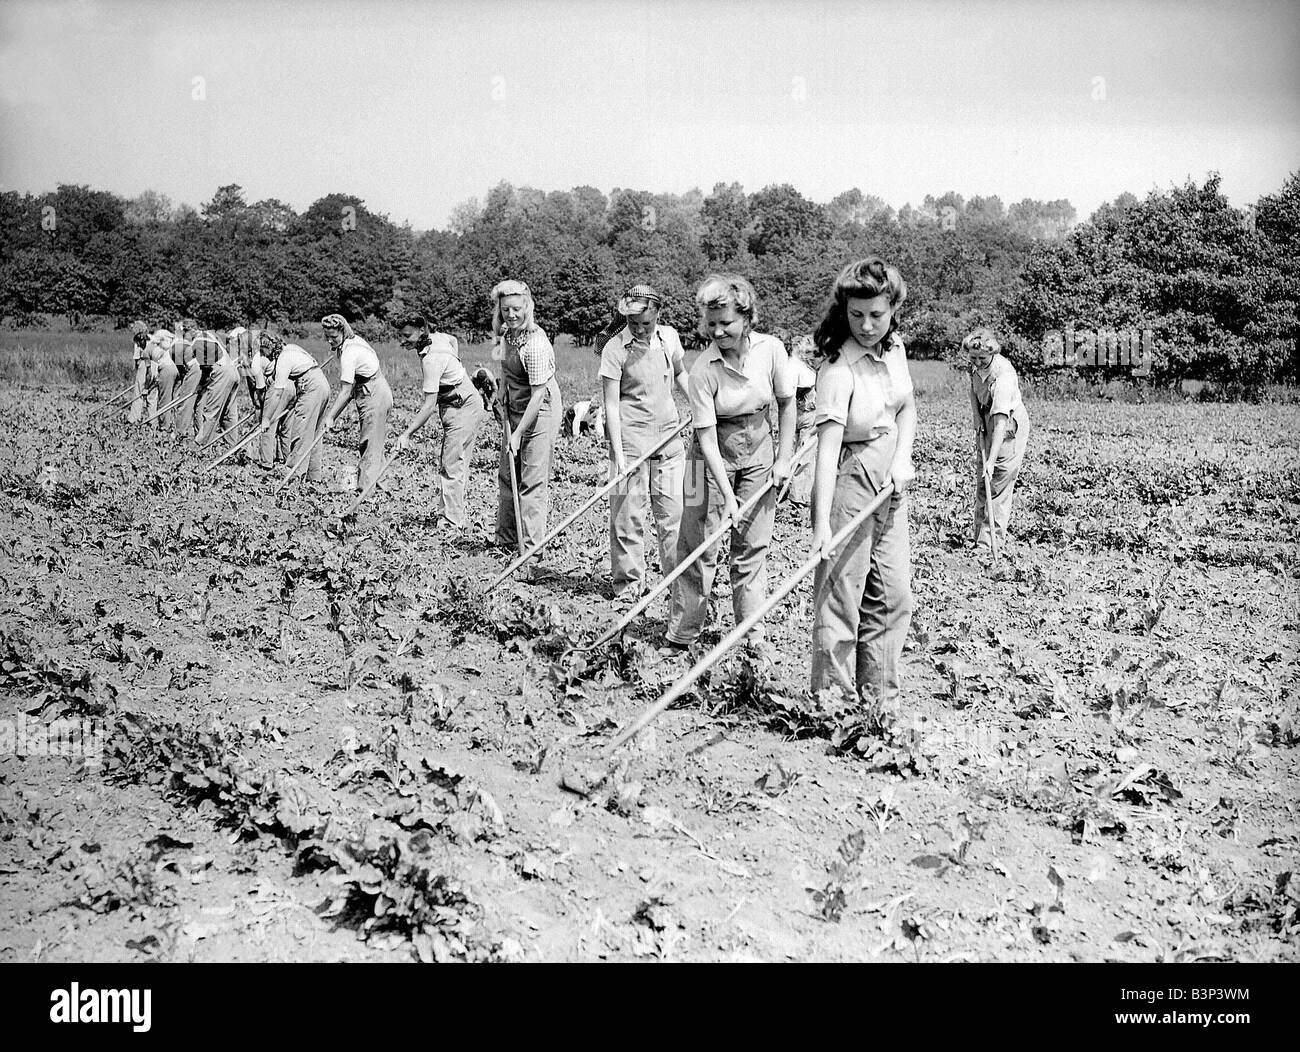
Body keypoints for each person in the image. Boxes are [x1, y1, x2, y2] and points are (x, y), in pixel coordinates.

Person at [664, 274, 796, 650]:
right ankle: (682, 632)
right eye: (711, 324)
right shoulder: (703, 369)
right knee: (696, 542)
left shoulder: (771, 349)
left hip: (759, 447)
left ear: (747, 317)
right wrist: (728, 496)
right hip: (704, 458)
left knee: (752, 546)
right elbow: (705, 436)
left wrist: (784, 458)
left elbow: (787, 404)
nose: (718, 332)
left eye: (727, 323)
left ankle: (751, 635)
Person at [808, 257, 916, 707]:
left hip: (891, 480)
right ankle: (832, 705)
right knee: (841, 598)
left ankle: (879, 703)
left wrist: (903, 458)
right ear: (843, 310)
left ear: (892, 308)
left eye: (877, 314)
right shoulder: (837, 370)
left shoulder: (895, 351)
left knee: (893, 596)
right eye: (857, 315)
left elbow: (907, 408)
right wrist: (821, 529)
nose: (868, 325)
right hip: (851, 481)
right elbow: (827, 453)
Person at [600, 283, 689, 607]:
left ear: (657, 315)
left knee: (675, 515)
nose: (639, 330)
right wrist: (619, 454)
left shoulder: (670, 338)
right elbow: (611, 404)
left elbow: (681, 375)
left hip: (669, 438)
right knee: (627, 517)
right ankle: (628, 587)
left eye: (645, 324)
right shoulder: (615, 349)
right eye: (633, 324)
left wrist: (699, 405)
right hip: (631, 440)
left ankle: (679, 585)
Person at [394, 311, 486, 527]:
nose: (403, 340)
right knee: (455, 462)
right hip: (462, 398)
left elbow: (428, 405)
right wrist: (456, 367)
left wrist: (407, 434)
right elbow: (453, 340)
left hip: (462, 404)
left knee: (451, 463)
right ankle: (451, 516)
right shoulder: (438, 337)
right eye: (401, 335)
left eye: (407, 335)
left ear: (421, 330)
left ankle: (451, 522)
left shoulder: (432, 359)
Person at [491, 280, 562, 561]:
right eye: (505, 309)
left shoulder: (536, 345)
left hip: (540, 412)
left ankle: (531, 550)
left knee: (531, 482)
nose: (511, 314)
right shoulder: (505, 335)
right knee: (508, 475)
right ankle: (506, 539)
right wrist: (500, 392)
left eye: (517, 309)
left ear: (527, 308)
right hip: (514, 408)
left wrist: (518, 434)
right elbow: (505, 368)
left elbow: (538, 395)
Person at [965, 327, 1029, 552]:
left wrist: (991, 460)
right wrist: (976, 417)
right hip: (986, 418)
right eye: (973, 358)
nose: (978, 362)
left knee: (998, 479)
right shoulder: (973, 364)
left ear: (992, 353)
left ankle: (989, 544)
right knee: (982, 482)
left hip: (1008, 425)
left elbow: (1001, 420)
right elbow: (973, 390)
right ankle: (978, 540)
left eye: (982, 358)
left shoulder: (1004, 375)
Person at [319, 315, 393, 492]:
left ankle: (365, 491)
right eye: (327, 336)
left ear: (343, 331)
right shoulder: (351, 343)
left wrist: (330, 417)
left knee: (369, 443)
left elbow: (345, 391)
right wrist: (333, 416)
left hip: (374, 393)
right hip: (372, 388)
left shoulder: (349, 352)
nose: (330, 340)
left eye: (334, 337)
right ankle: (381, 488)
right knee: (374, 442)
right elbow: (351, 389)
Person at [258, 331, 330, 481]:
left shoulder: (284, 359)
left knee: (301, 433)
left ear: (269, 347)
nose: (263, 355)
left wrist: (266, 419)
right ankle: (313, 477)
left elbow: (277, 394)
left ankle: (292, 477)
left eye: (262, 351)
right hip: (322, 383)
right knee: (314, 433)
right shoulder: (291, 348)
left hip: (310, 387)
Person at [785, 334, 819, 508]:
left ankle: (786, 490)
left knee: (789, 451)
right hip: (806, 414)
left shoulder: (791, 365)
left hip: (793, 414)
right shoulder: (799, 367)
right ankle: (799, 496)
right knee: (805, 455)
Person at [193, 334, 242, 450]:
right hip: (233, 372)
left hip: (222, 372)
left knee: (211, 412)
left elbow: (205, 366)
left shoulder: (196, 343)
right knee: (229, 413)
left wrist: (201, 384)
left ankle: (201, 446)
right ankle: (231, 447)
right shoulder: (211, 338)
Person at [144, 328, 179, 430]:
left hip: (166, 370)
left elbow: (153, 373)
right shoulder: (173, 346)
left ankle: (164, 426)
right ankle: (177, 426)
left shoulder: (156, 350)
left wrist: (147, 387)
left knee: (165, 400)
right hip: (178, 369)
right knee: (176, 400)